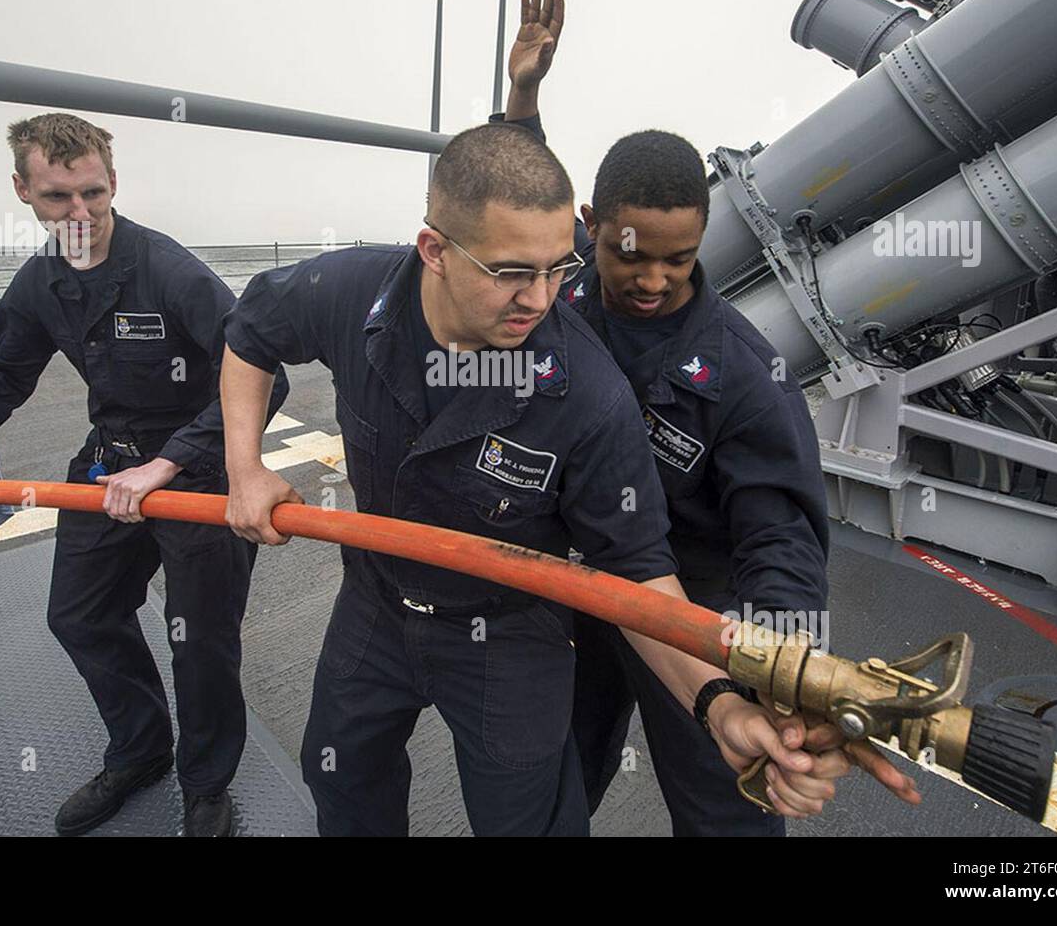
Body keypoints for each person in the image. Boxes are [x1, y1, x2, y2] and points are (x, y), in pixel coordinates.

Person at [218, 121, 911, 836]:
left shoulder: (615, 389)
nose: (541, 298)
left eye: (556, 271)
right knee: (343, 777)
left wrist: (742, 698)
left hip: (565, 615)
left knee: (629, 807)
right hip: (385, 602)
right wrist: (244, 467)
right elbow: (253, 329)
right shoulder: (350, 291)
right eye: (514, 273)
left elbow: (681, 563)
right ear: (434, 252)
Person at [493, 0, 921, 833]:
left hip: (694, 611)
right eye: (631, 256)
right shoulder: (566, 283)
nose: (653, 279)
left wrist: (784, 665)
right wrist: (523, 96)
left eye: (679, 258)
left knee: (727, 802)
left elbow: (781, 533)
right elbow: (516, 197)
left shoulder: (744, 371)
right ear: (592, 228)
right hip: (578, 584)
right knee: (545, 780)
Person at [0, 113, 287, 837]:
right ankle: (140, 750)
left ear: (114, 183)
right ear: (23, 191)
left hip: (199, 464)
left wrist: (169, 463)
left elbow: (266, 378)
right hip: (108, 461)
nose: (79, 214)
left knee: (198, 637)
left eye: (93, 194)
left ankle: (206, 785)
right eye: (56, 198)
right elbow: (2, 375)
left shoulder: (169, 270)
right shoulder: (39, 282)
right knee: (80, 614)